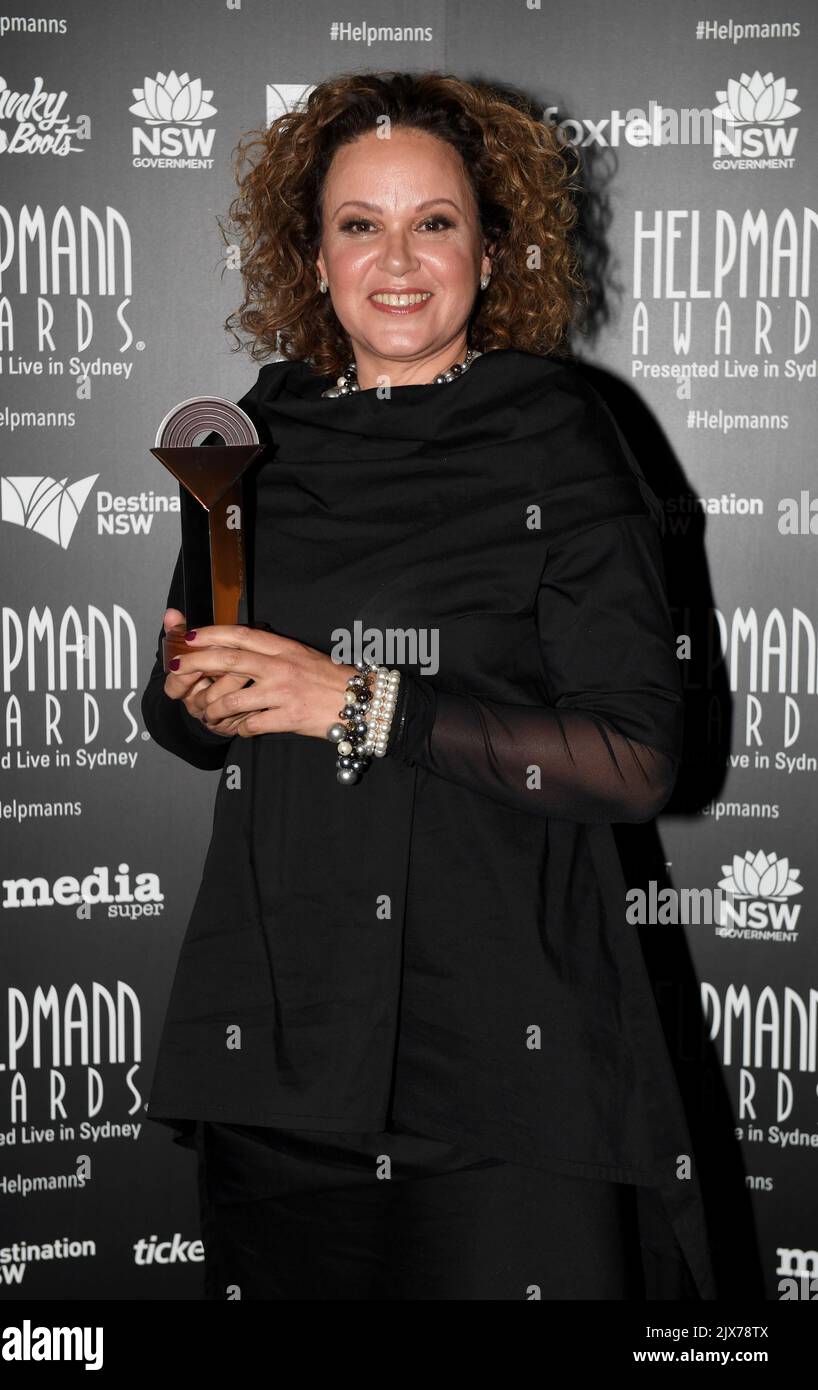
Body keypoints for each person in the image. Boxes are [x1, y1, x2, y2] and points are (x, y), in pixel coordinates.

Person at [139, 71, 717, 1301]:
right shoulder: (257, 434)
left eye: (434, 222)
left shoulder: (555, 430)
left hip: (502, 1056)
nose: (396, 259)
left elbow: (636, 756)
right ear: (313, 252)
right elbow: (190, 714)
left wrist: (353, 701)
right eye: (359, 224)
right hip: (282, 1047)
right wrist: (199, 692)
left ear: (493, 252)